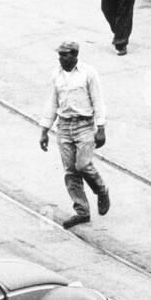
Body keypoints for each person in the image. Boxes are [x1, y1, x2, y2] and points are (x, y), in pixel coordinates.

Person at [39, 40, 109, 229]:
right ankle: (82, 211)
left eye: (65, 55)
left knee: (83, 164)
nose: (61, 59)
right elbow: (52, 103)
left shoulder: (88, 73)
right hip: (63, 126)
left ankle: (101, 190)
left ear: (75, 55)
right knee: (70, 171)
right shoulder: (56, 75)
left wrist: (101, 127)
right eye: (60, 55)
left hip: (84, 125)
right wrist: (44, 130)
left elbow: (98, 100)